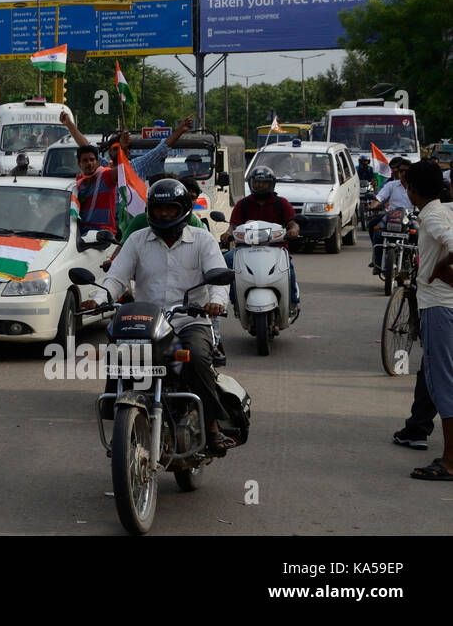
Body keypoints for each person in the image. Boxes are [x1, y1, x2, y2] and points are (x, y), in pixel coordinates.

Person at [84, 178, 236, 453]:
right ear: (150, 211)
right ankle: (122, 423)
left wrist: (216, 302)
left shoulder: (201, 240)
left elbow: (218, 277)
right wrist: (97, 299)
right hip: (147, 321)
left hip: (189, 319)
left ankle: (212, 426)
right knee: (119, 352)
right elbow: (116, 277)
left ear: (183, 210)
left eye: (170, 209)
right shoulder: (137, 240)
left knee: (199, 357)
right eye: (158, 209)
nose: (164, 215)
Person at [59, 111, 195, 236]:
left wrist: (180, 130)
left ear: (127, 151)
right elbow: (85, 147)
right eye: (114, 149)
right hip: (107, 230)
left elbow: (161, 149)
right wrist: (70, 124)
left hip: (133, 226)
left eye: (121, 148)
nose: (118, 152)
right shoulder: (104, 169)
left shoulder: (138, 165)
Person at [403, 160, 453, 480]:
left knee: (443, 385)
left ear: (411, 190)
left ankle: (449, 461)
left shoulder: (434, 215)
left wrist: (440, 269)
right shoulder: (445, 210)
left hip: (439, 308)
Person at [221, 164, 300, 312]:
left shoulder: (281, 203)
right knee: (227, 261)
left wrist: (293, 230)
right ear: (251, 183)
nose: (260, 186)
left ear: (271, 184)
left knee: (289, 268)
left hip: (276, 248)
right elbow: (233, 225)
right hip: (246, 248)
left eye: (264, 183)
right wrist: (227, 233)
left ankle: (293, 301)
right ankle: (235, 300)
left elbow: (293, 223)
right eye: (257, 182)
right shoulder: (243, 204)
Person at [369, 157, 412, 273]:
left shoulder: (417, 186)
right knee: (376, 230)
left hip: (410, 217)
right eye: (401, 171)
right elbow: (380, 197)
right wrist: (374, 204)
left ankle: (417, 262)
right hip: (392, 215)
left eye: (406, 171)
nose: (403, 173)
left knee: (417, 232)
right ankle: (377, 262)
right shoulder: (391, 185)